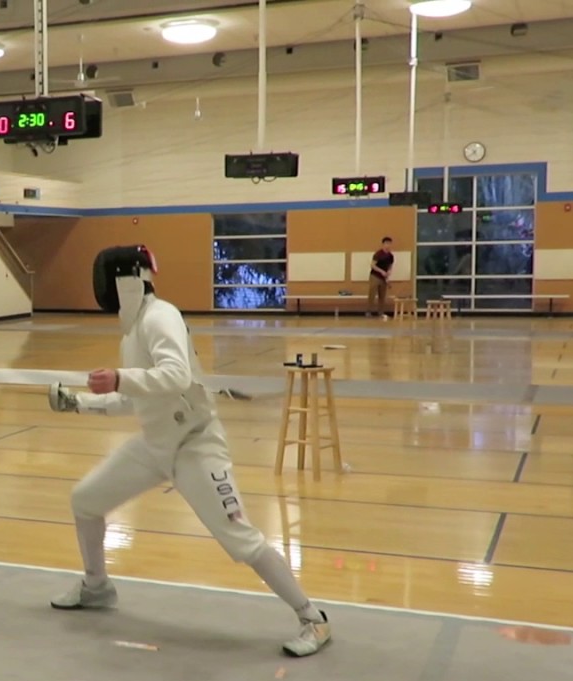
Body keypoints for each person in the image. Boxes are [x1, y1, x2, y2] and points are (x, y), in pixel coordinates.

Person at [46, 245, 332, 657]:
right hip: (156, 444)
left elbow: (176, 376)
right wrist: (79, 402)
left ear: (125, 279)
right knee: (85, 500)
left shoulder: (161, 317)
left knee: (241, 542)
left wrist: (120, 378)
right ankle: (96, 588)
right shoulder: (135, 330)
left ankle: (313, 619)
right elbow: (137, 398)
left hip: (196, 445)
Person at [368, 236, 394, 319]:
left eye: (389, 243)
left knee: (382, 296)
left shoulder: (390, 256)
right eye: (386, 243)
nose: (388, 245)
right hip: (375, 276)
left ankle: (381, 312)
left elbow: (390, 266)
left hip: (384, 278)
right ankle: (369, 311)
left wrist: (389, 272)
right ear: (383, 244)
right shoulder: (378, 254)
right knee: (372, 294)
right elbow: (372, 265)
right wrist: (381, 271)